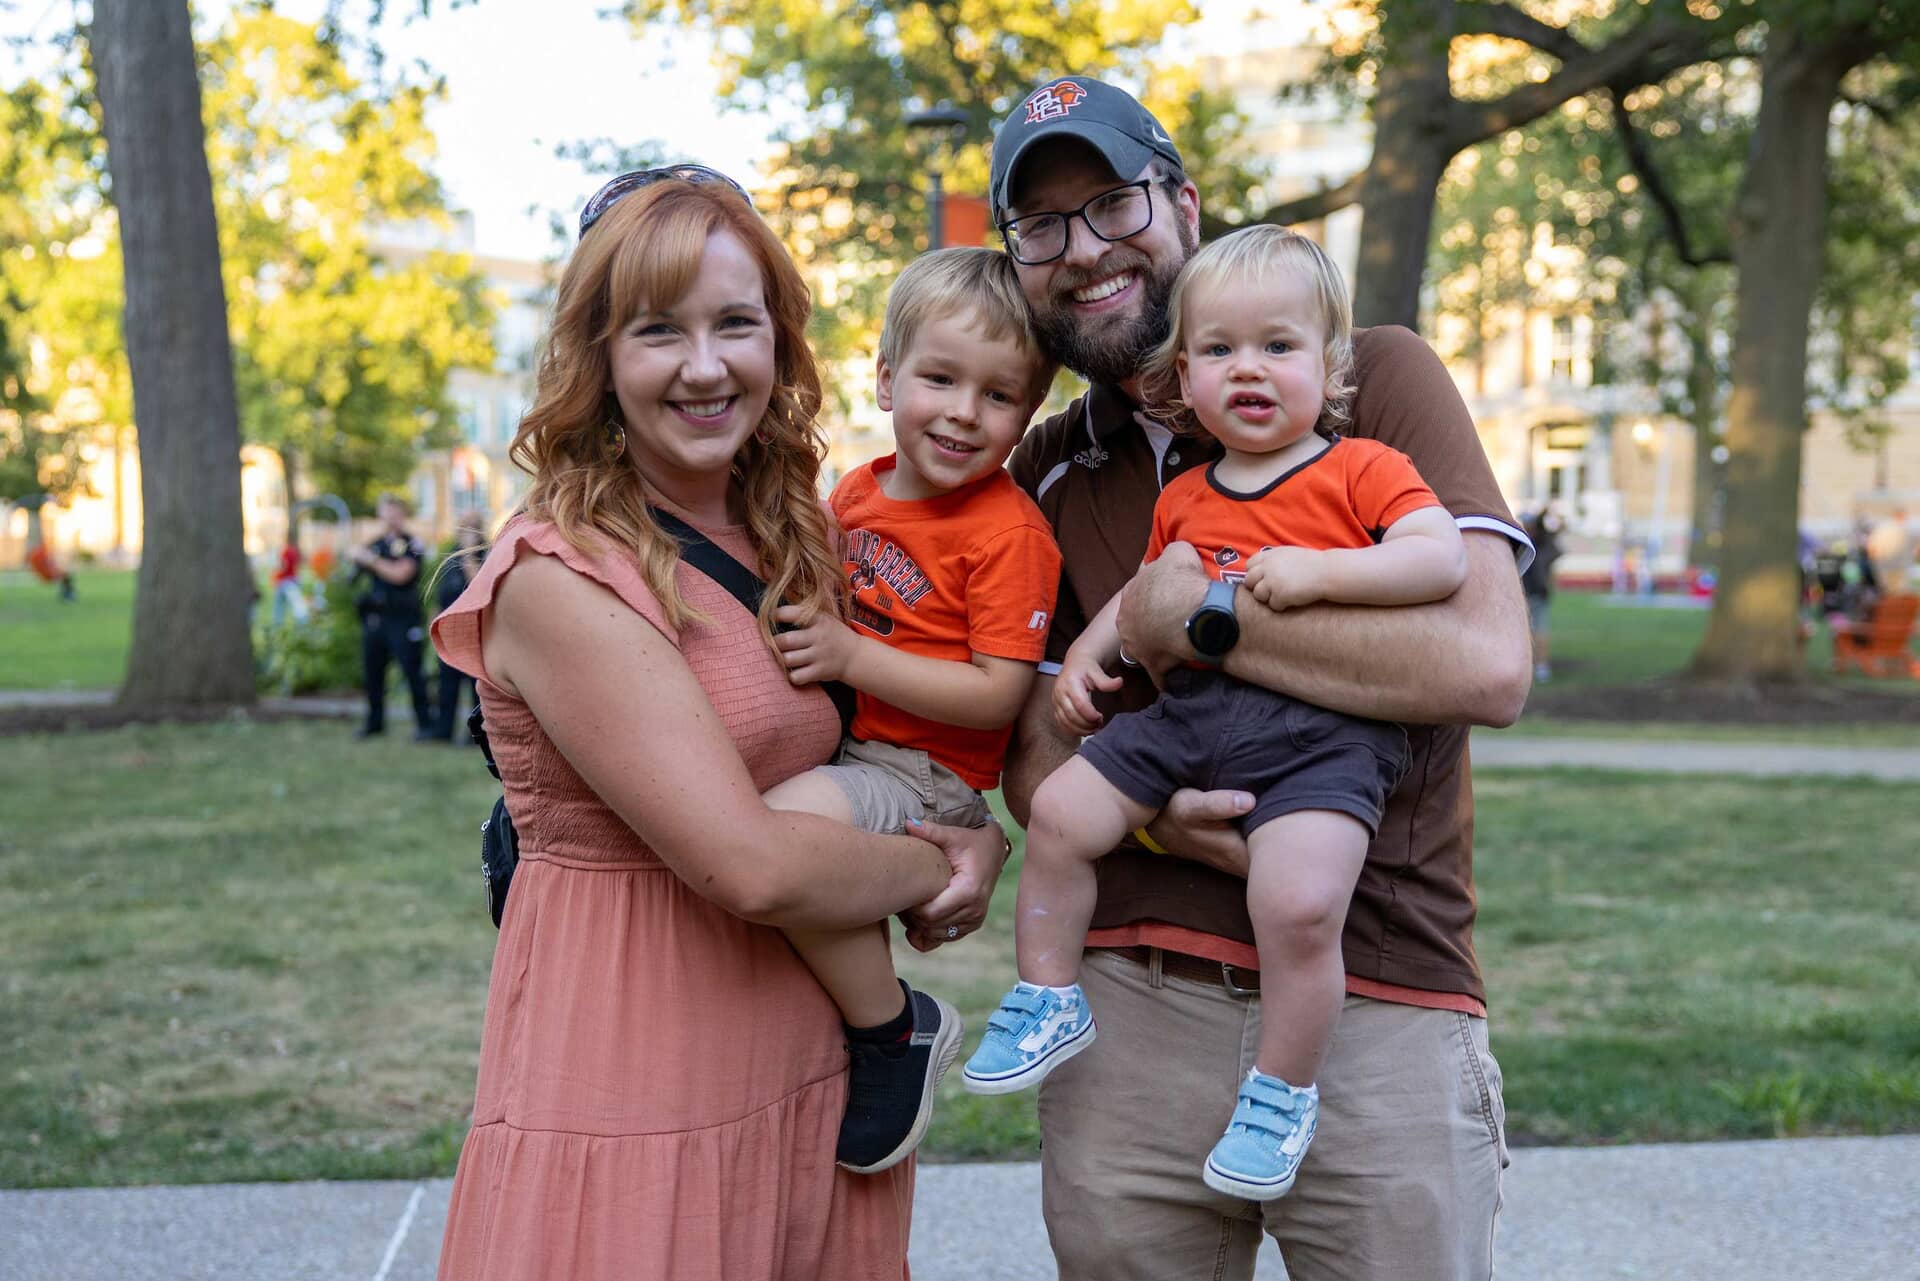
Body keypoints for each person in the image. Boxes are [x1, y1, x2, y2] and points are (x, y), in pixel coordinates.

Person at [971, 76, 1532, 1280]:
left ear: (1181, 202)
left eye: (1113, 203)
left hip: (1380, 1001)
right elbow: (1029, 745)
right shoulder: (1050, 470)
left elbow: (1487, 663)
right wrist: (1164, 823)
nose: (1084, 250)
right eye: (1042, 227)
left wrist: (1193, 615)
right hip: (1131, 1020)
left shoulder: (1368, 379)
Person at [427, 165, 1008, 1281]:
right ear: (598, 358)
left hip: (815, 1063)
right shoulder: (561, 576)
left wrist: (977, 830)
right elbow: (752, 868)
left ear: (779, 342)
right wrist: (939, 862)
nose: (705, 366)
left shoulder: (790, 526)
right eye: (658, 331)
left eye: (735, 323)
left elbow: (882, 736)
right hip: (636, 1071)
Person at [759, 246, 1062, 1173]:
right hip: (855, 747)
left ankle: (893, 1025)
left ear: (1029, 412)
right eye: (940, 378)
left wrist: (854, 655)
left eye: (1000, 395)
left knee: (776, 839)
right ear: (888, 379)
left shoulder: (1008, 535)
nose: (965, 412)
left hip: (929, 774)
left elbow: (998, 691)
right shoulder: (855, 492)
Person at [351, 494, 433, 739]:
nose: (390, 519)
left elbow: (401, 574)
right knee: (373, 672)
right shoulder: (375, 544)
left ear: (402, 515)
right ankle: (374, 722)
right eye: (385, 513)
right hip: (377, 618)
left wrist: (372, 561)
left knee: (412, 671)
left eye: (394, 513)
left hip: (403, 618)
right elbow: (354, 569)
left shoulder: (412, 544)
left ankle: (425, 723)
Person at [426, 511, 487, 742]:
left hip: (473, 630)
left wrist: (469, 554)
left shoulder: (483, 554)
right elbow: (439, 592)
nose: (466, 532)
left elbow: (478, 584)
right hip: (448, 629)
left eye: (472, 527)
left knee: (474, 687)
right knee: (446, 684)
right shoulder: (451, 552)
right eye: (463, 527)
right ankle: (443, 729)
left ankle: (475, 734)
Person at [1521, 502, 1564, 681]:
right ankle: (1539, 666)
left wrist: (1546, 510)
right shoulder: (1540, 542)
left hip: (1532, 591)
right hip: (1535, 591)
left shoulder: (1534, 541)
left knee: (1534, 630)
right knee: (1538, 629)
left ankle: (1536, 665)